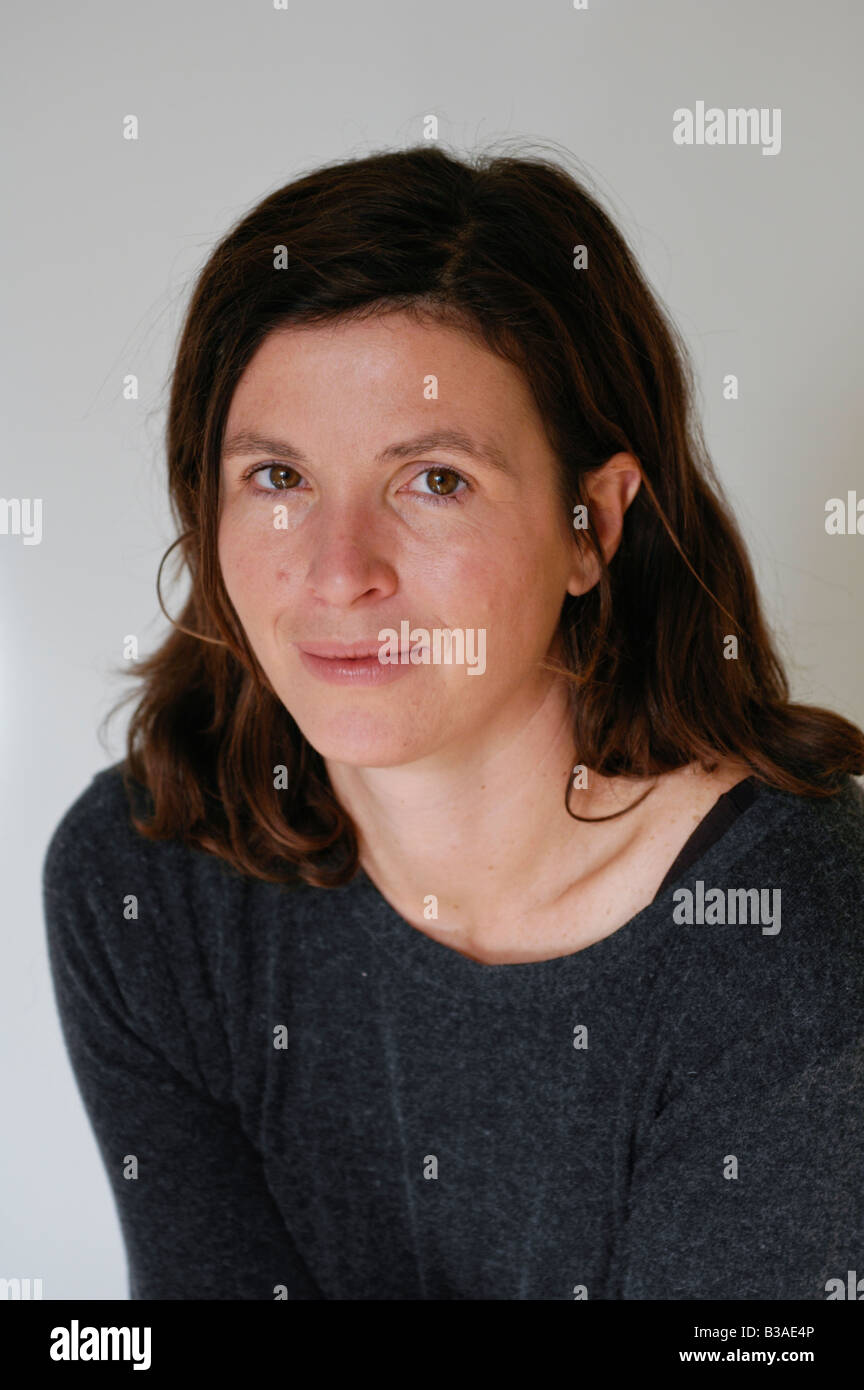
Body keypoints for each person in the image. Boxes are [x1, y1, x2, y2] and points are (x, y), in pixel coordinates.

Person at [43, 142, 864, 1300]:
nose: (339, 572)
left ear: (594, 525)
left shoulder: (790, 936)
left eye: (434, 480)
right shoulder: (147, 878)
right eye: (278, 478)